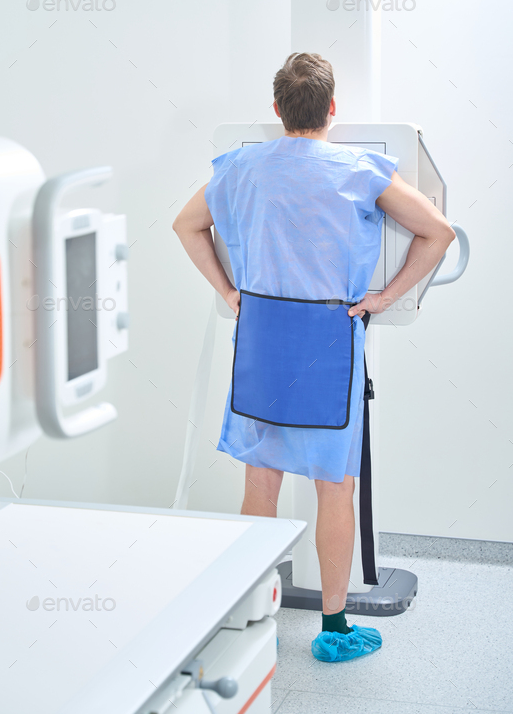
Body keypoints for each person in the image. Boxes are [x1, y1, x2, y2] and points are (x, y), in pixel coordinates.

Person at [172, 52, 455, 662]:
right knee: (335, 487)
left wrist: (229, 292)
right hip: (329, 340)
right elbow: (439, 232)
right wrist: (383, 298)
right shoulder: (360, 170)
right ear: (332, 109)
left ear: (276, 109)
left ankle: (252, 616)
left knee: (260, 480)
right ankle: (334, 627)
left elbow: (185, 225)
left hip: (261, 337)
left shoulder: (237, 167)